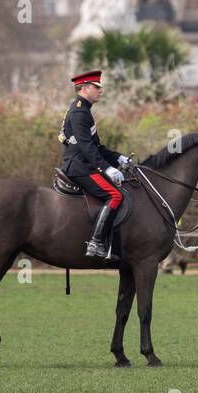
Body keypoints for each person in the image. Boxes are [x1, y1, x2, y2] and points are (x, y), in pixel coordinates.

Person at [58, 70, 131, 260]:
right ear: (84, 88)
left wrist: (119, 158)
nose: (101, 90)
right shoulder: (80, 112)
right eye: (96, 87)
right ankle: (96, 243)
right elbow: (86, 147)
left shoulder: (83, 109)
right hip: (80, 166)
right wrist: (106, 168)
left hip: (81, 163)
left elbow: (96, 147)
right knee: (115, 195)